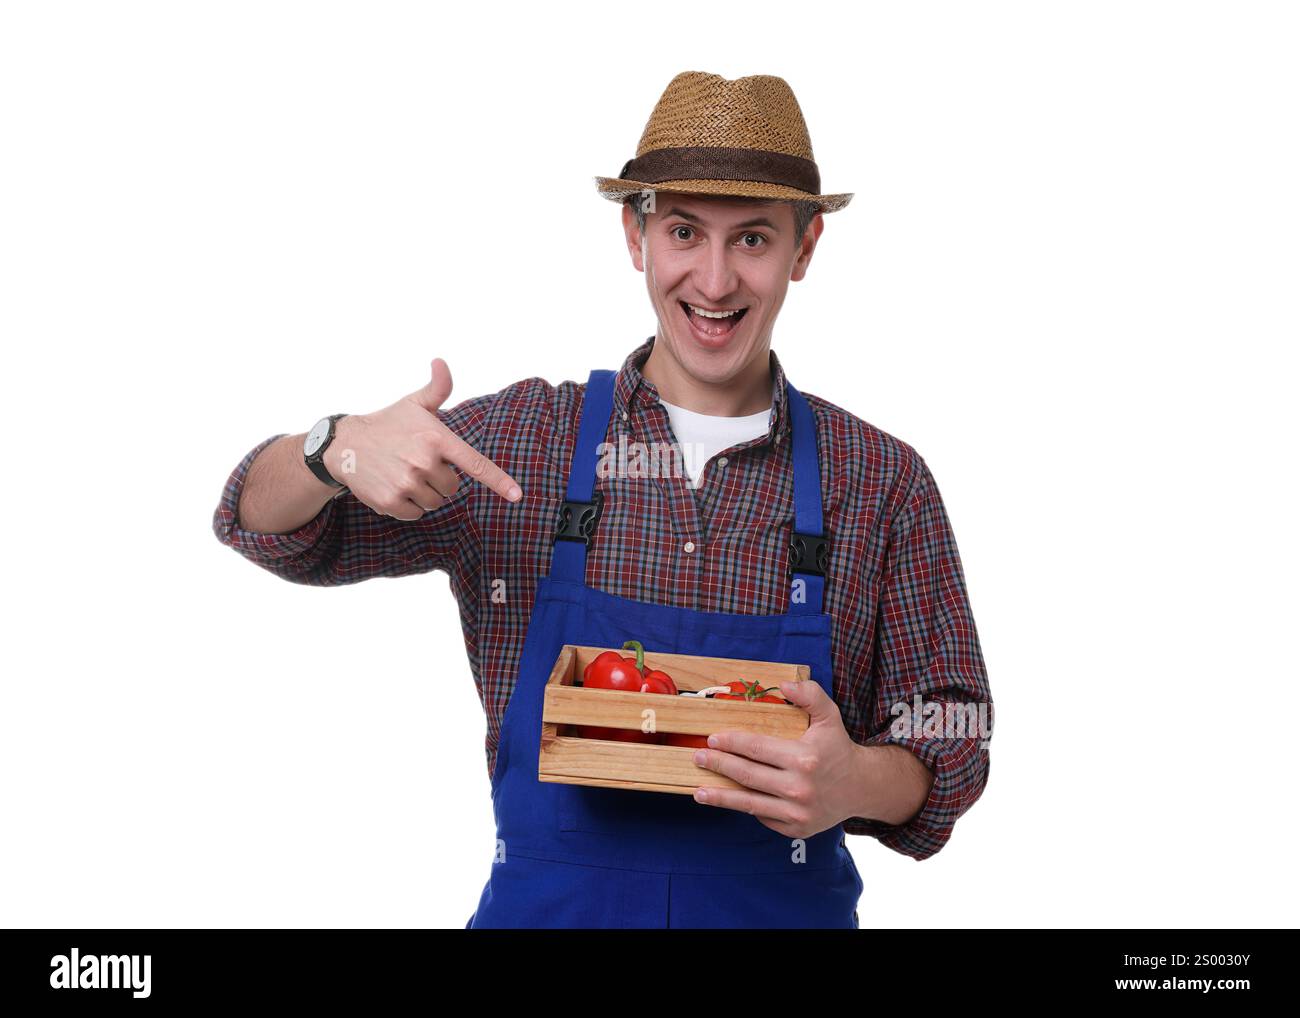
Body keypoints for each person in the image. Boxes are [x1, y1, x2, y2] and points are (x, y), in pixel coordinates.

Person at [212, 71, 993, 928]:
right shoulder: (525, 443)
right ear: (636, 234)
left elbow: (950, 737)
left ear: (803, 251)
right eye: (685, 231)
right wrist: (337, 446)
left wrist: (854, 781)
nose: (716, 278)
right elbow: (260, 524)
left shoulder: (879, 482)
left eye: (755, 240)